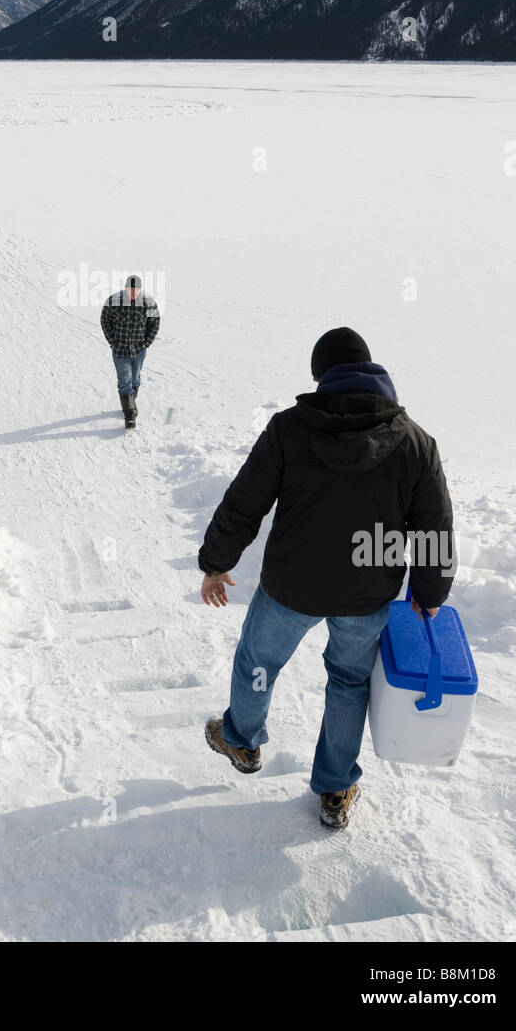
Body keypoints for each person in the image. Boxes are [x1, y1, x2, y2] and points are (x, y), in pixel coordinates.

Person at [199, 326, 455, 830]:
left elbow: (245, 500)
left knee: (258, 661)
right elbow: (434, 527)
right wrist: (430, 592)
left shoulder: (290, 428)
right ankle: (336, 786)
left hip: (292, 585)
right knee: (347, 683)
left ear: (322, 377)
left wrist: (217, 560)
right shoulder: (414, 442)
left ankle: (242, 741)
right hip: (367, 592)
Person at [100, 275, 160, 428]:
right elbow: (105, 320)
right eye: (130, 289)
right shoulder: (114, 301)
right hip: (120, 349)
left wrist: (147, 342)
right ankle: (130, 414)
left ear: (139, 289)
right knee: (125, 380)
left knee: (135, 378)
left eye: (135, 290)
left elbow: (154, 323)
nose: (132, 293)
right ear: (126, 288)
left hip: (139, 349)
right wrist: (112, 340)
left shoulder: (148, 303)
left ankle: (131, 401)